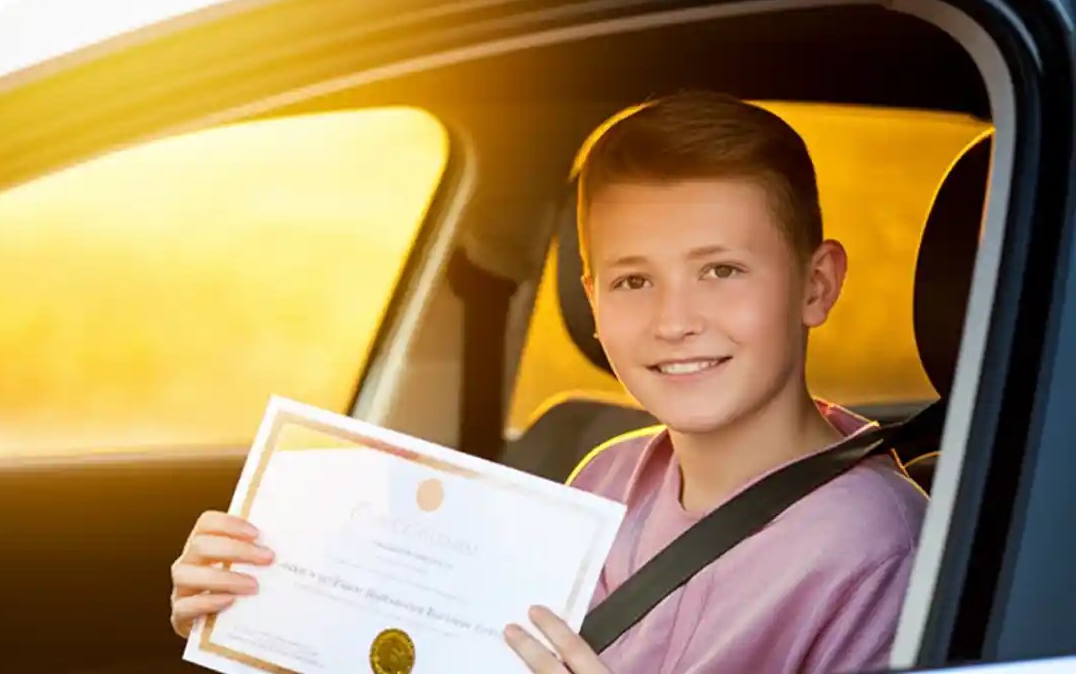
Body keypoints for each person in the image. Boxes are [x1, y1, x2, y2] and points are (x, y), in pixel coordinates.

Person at [169, 91, 928, 673]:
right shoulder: (604, 478)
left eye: (721, 271)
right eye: (634, 282)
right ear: (592, 300)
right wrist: (258, 602)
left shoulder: (876, 551)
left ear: (815, 285)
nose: (675, 320)